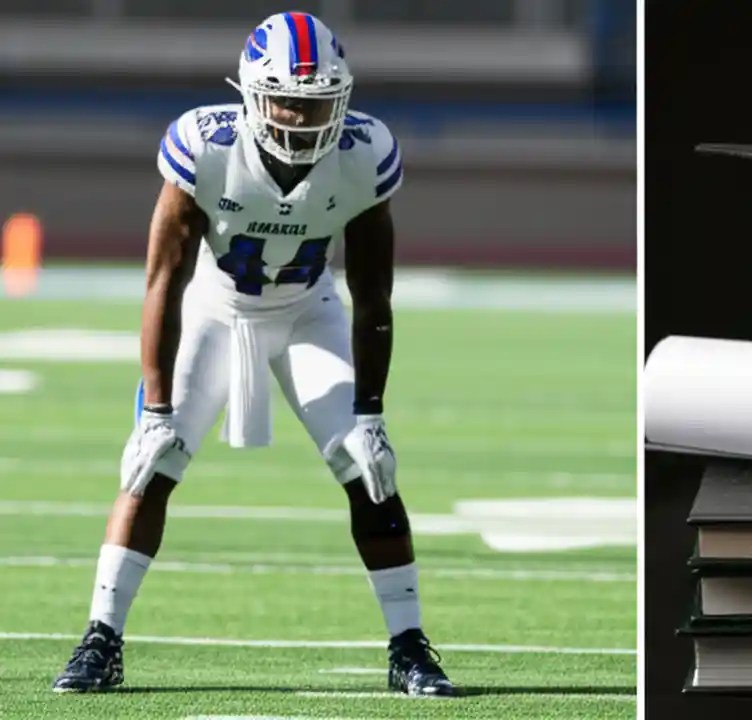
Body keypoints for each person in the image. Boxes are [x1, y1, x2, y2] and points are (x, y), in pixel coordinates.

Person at [51, 11, 455, 698]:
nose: (302, 114)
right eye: (289, 98)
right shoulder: (205, 147)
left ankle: (409, 648)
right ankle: (101, 639)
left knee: (369, 466)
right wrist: (154, 405)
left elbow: (373, 295)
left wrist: (371, 411)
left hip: (307, 312)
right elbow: (163, 280)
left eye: (320, 100)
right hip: (214, 307)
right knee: (150, 464)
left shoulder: (362, 155)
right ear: (251, 94)